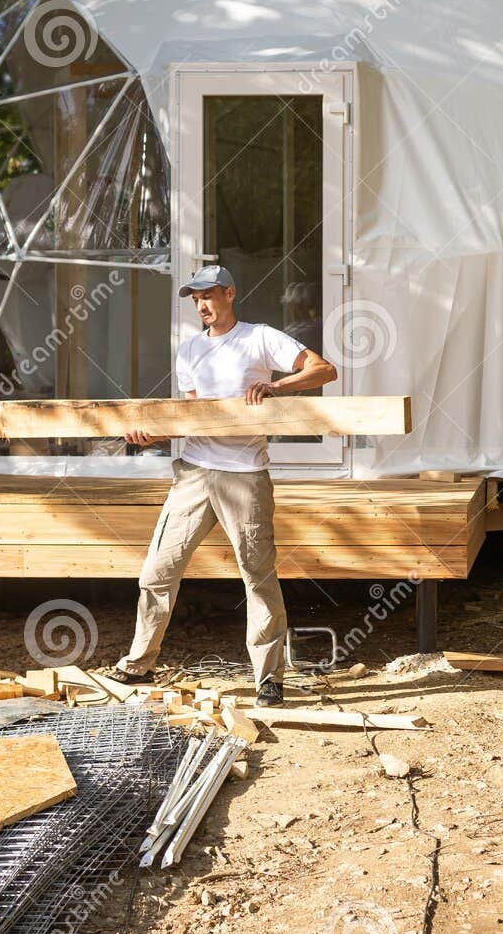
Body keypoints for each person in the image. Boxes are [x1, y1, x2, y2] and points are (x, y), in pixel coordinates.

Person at [110, 265, 339, 704]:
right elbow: (194, 419)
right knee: (157, 572)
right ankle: (139, 665)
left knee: (257, 576)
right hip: (193, 473)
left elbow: (322, 370)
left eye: (209, 296)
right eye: (195, 299)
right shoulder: (190, 350)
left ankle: (269, 679)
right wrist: (153, 435)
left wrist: (277, 386)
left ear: (230, 293)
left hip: (244, 475)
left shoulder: (261, 338)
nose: (202, 305)